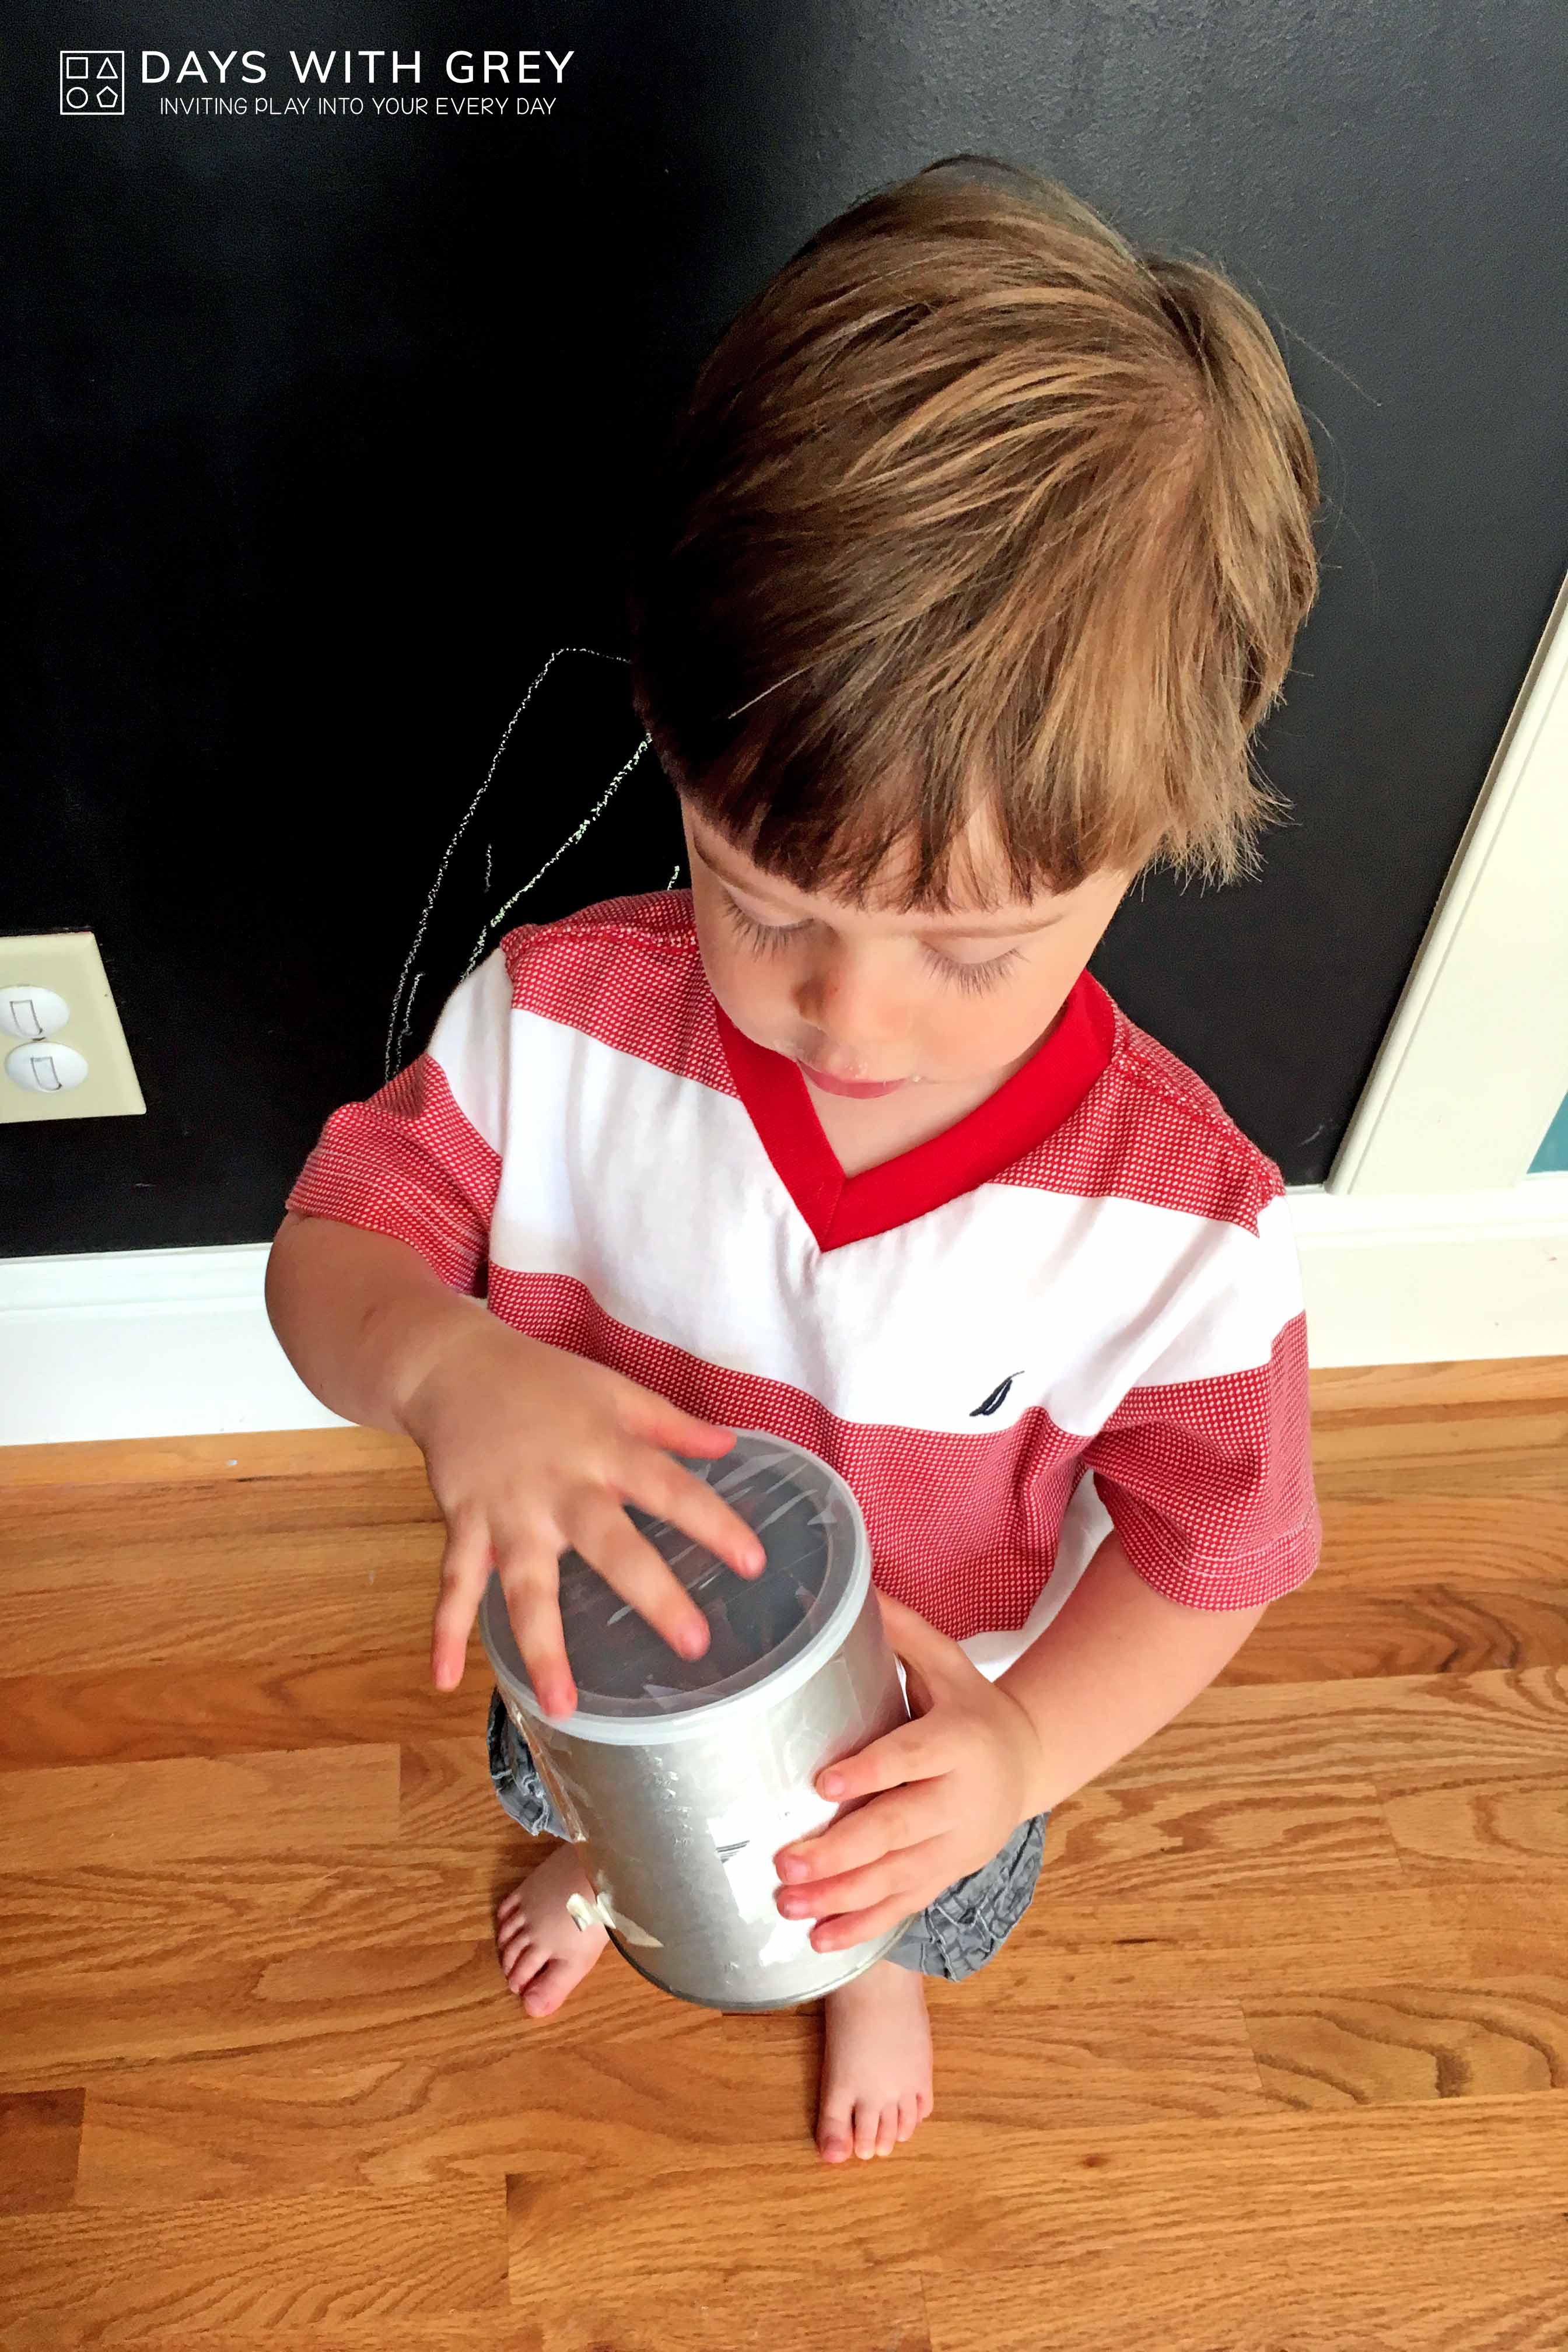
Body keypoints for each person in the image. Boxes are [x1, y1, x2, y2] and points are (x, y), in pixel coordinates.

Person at [265, 153, 1323, 2168]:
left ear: (1160, 829)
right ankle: (613, 1877)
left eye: (970, 950)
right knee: (592, 1802)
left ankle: (869, 1976)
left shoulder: (1180, 1232)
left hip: (921, 1725)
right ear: (670, 745)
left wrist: (1025, 1745)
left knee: (881, 1889)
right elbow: (337, 1246)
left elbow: (1215, 1560)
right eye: (761, 902)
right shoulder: (564, 1024)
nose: (850, 1018)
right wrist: (441, 1364)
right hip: (609, 1636)